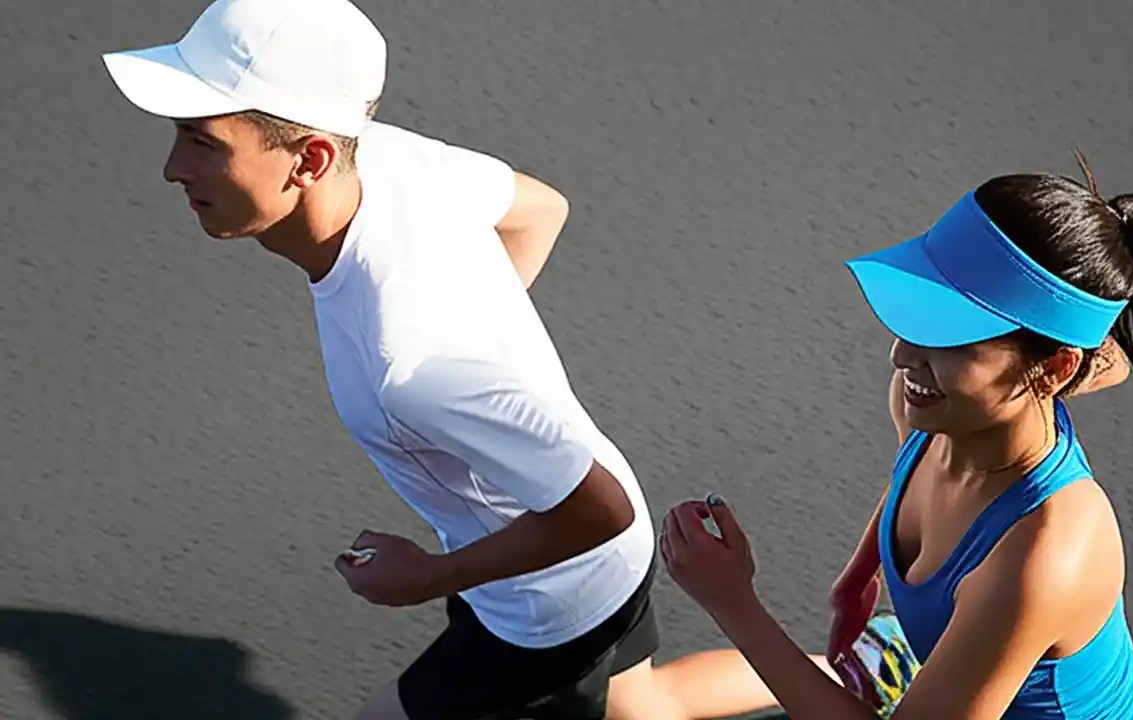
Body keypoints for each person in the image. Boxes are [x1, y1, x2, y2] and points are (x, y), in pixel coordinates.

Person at [96, 1, 825, 718]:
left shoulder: (413, 367)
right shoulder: (384, 157)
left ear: (309, 159)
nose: (172, 169)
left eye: (203, 142)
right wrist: (480, 337)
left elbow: (600, 511)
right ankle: (853, 671)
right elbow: (541, 209)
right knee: (648, 708)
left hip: (543, 608)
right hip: (597, 561)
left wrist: (427, 576)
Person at [660, 151, 1133, 718]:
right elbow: (919, 472)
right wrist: (859, 576)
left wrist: (733, 603)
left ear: (1053, 369)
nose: (904, 355)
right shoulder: (938, 406)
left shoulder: (1046, 552)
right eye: (919, 313)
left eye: (952, 338)